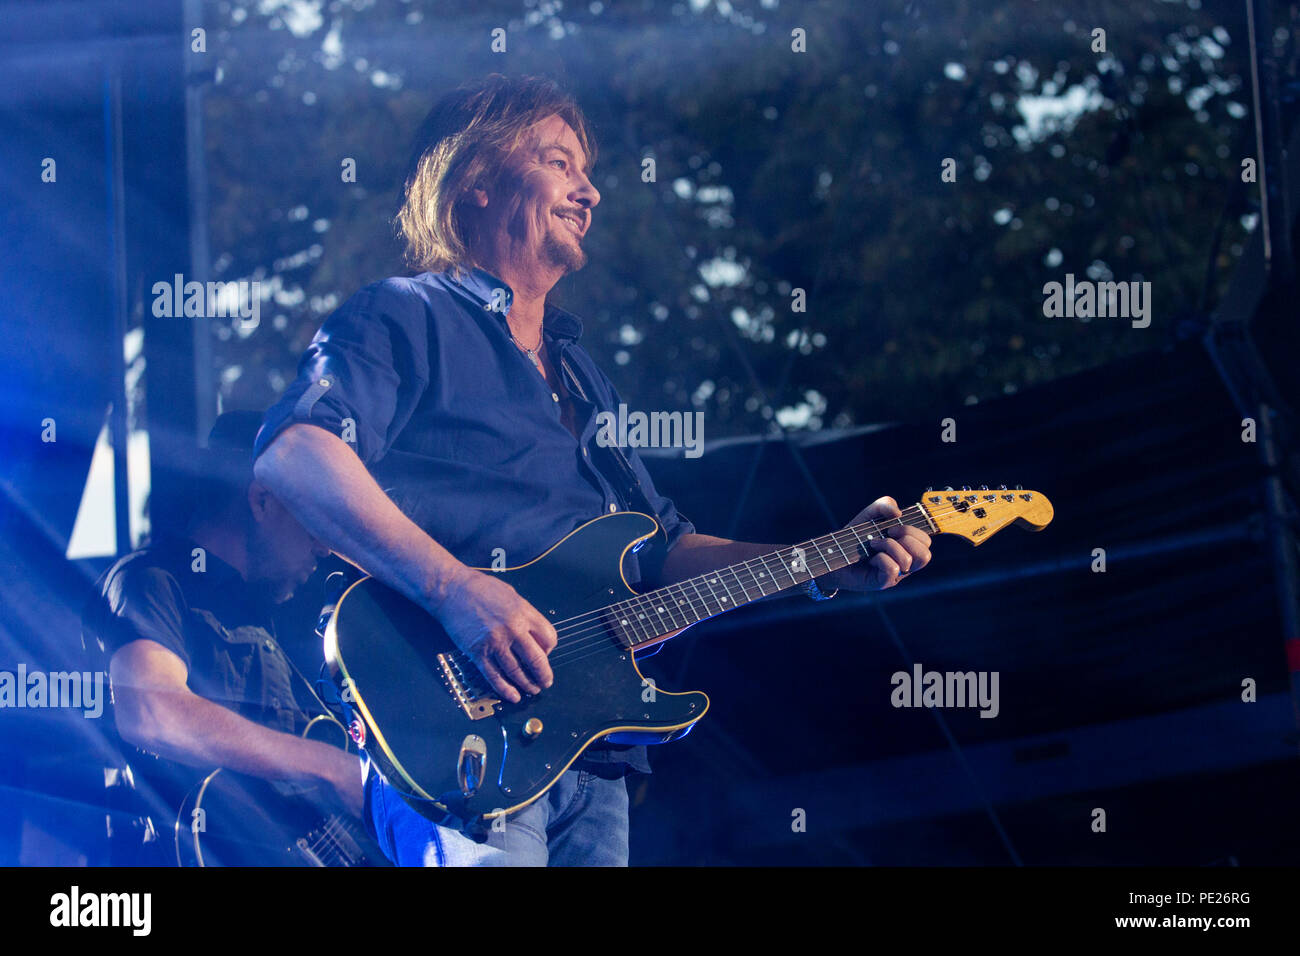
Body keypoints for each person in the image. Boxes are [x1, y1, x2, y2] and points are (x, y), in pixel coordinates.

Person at [251, 73, 932, 866]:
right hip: (457, 730)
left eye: (589, 169)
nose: (591, 191)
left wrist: (825, 560)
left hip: (592, 751)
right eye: (559, 162)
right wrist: (458, 589)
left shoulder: (582, 377)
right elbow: (296, 453)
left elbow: (659, 551)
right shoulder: (405, 312)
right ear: (472, 181)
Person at [82, 411, 363, 865]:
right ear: (262, 500)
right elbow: (153, 713)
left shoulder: (265, 616)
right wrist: (331, 767)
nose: (323, 546)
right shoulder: (151, 582)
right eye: (313, 519)